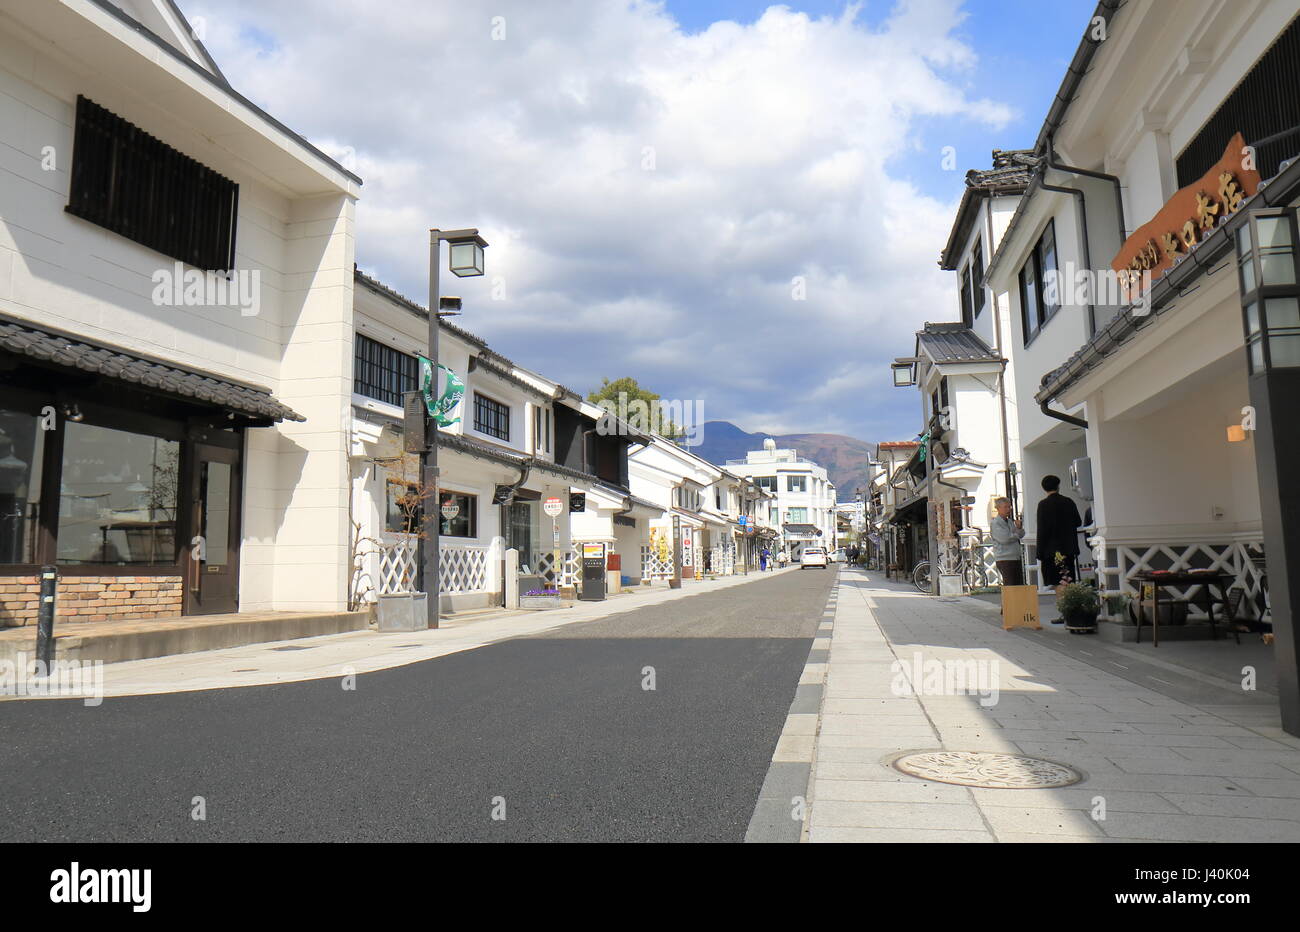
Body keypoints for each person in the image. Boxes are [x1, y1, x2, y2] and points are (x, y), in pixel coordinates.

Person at [1036, 475, 1082, 615]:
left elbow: (1042, 530)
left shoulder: (1043, 505)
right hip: (1069, 548)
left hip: (1051, 551)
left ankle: (1065, 613)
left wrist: (1039, 552)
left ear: (1044, 488)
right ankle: (1070, 611)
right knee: (1067, 580)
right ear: (1058, 486)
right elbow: (1078, 522)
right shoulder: (1068, 502)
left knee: (1058, 582)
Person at [989, 496, 1026, 586]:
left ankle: (1018, 600)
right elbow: (1005, 539)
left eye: (1009, 507)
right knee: (1010, 584)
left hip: (1015, 557)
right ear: (998, 508)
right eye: (1005, 507)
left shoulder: (1009, 521)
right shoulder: (995, 523)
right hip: (1005, 558)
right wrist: (1017, 534)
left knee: (1018, 584)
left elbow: (1021, 534)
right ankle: (1010, 600)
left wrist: (1019, 528)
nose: (1008, 509)